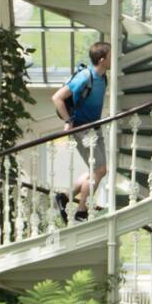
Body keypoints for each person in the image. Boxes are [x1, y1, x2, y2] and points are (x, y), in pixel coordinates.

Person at [52, 41, 111, 222]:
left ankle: (65, 197)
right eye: (111, 56)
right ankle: (81, 209)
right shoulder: (85, 77)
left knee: (98, 170)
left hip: (94, 128)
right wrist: (68, 121)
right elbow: (57, 98)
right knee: (99, 170)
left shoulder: (103, 77)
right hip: (82, 130)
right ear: (102, 60)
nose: (114, 59)